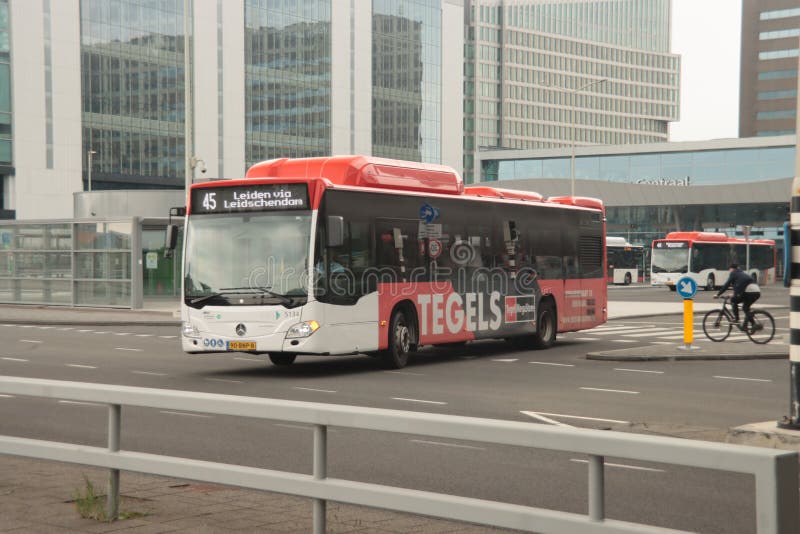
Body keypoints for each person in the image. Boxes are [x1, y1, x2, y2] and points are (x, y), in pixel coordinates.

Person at [714, 263, 761, 329]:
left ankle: (737, 319)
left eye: (729, 269)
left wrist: (718, 294)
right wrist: (734, 294)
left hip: (749, 292)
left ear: (731, 269)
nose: (729, 271)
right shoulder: (741, 273)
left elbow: (727, 284)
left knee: (733, 300)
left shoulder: (733, 273)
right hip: (756, 291)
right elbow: (740, 286)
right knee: (745, 308)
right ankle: (753, 325)